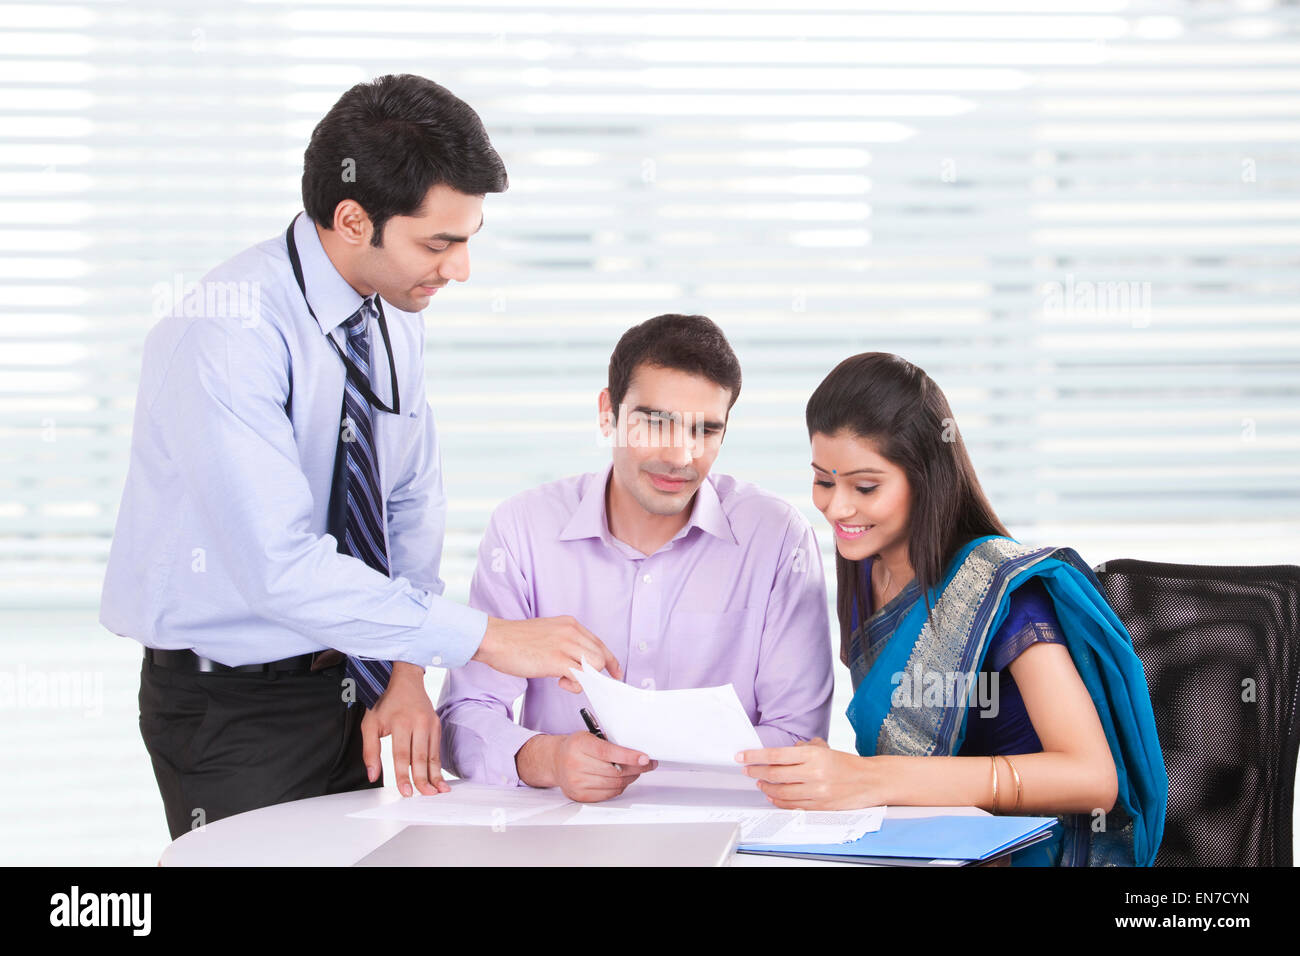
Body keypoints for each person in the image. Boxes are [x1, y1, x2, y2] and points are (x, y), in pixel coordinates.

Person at [99, 74, 620, 840]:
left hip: (363, 679)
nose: (459, 269)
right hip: (239, 709)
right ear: (351, 219)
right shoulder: (227, 336)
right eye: (438, 242)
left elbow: (406, 504)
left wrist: (407, 672)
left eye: (468, 239)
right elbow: (280, 568)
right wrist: (489, 639)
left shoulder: (393, 310)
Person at [736, 352, 1167, 866]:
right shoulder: (864, 565)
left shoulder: (1004, 594)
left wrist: (871, 779)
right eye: (824, 482)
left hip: (1024, 853)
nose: (837, 508)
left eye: (865, 487)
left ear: (925, 477)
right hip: (924, 844)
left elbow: (1092, 779)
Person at [438, 314, 835, 800]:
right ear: (608, 412)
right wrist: (552, 758)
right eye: (656, 423)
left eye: (706, 430)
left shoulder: (776, 538)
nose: (681, 457)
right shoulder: (523, 530)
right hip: (562, 835)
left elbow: (798, 739)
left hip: (725, 831)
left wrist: (658, 768)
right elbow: (464, 718)